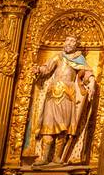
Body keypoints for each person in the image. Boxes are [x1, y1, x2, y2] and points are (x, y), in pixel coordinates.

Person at [29, 36, 95, 165]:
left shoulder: (78, 59)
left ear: (76, 45)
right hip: (53, 93)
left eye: (72, 41)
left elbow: (87, 73)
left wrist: (92, 82)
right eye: (67, 40)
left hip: (68, 94)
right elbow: (46, 68)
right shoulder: (58, 56)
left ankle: (57, 157)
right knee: (48, 124)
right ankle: (44, 158)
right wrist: (38, 69)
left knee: (63, 126)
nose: (69, 43)